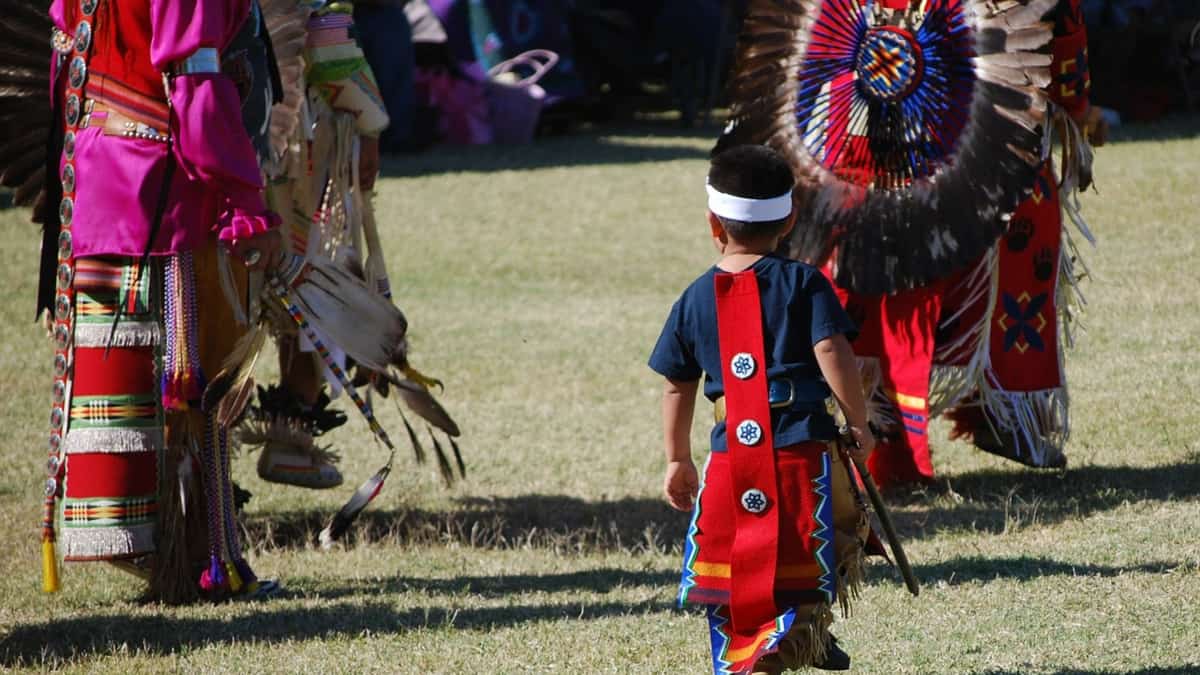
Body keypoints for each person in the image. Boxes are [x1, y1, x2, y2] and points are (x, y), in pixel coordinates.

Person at [39, 0, 283, 602]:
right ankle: (197, 563)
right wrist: (246, 199)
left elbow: (63, 68)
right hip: (161, 189)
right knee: (186, 380)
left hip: (97, 177)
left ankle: (184, 555)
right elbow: (194, 85)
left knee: (159, 380)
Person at [648, 145, 875, 674]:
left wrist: (677, 459)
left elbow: (677, 387)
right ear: (790, 219)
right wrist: (858, 421)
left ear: (713, 223)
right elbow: (831, 351)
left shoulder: (694, 298)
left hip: (731, 462)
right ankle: (798, 637)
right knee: (839, 531)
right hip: (800, 450)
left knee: (736, 573)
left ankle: (761, 654)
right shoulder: (805, 283)